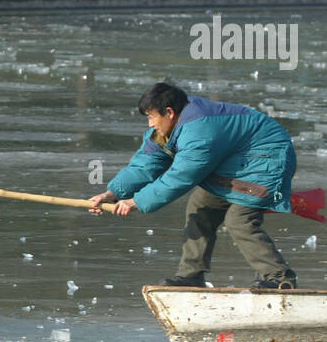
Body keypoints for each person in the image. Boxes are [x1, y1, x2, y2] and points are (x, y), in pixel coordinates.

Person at [87, 82, 298, 289]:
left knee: (239, 220)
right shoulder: (169, 129)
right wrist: (112, 193)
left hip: (267, 160)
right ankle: (191, 276)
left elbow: (181, 176)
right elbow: (145, 165)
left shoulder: (199, 131)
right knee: (200, 208)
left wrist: (137, 201)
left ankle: (279, 278)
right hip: (232, 164)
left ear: (169, 112)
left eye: (152, 116)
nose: (150, 124)